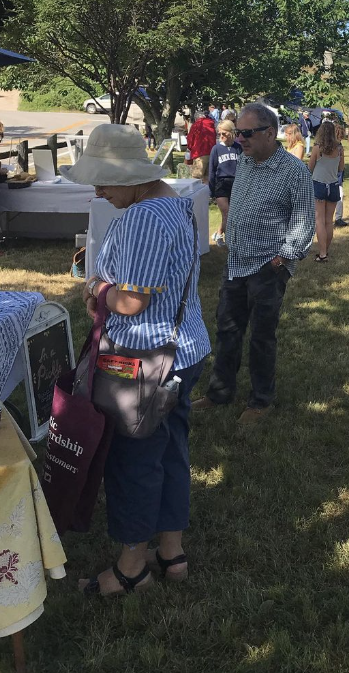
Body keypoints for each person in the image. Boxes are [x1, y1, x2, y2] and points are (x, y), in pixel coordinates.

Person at [60, 124, 211, 596]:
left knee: (134, 462)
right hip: (182, 351)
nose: (98, 189)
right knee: (170, 453)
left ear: (134, 176)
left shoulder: (144, 217)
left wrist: (95, 288)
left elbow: (132, 302)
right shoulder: (178, 205)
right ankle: (171, 552)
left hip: (143, 361)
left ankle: (131, 570)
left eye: (104, 179)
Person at [193, 103, 315, 422]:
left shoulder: (294, 170)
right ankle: (220, 392)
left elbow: (304, 220)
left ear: (270, 133)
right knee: (227, 329)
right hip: (236, 262)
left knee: (261, 336)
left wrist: (283, 257)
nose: (239, 139)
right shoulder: (246, 160)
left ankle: (260, 400)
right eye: (237, 133)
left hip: (267, 266)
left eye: (246, 133)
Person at [309, 120, 344, 262]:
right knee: (329, 221)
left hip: (319, 184)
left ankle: (322, 253)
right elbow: (341, 168)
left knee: (319, 221)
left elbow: (310, 168)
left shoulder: (317, 148)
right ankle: (325, 250)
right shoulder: (340, 149)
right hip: (333, 185)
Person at [209, 119, 242, 246]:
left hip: (236, 183)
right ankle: (230, 241)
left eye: (224, 133)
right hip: (221, 184)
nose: (221, 136)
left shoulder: (238, 148)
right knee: (227, 212)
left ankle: (218, 233)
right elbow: (212, 170)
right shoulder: (216, 149)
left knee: (232, 214)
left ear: (231, 132)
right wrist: (211, 190)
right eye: (219, 133)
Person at [186, 111, 217, 181]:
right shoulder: (211, 124)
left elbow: (190, 139)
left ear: (196, 118)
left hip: (200, 153)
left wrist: (190, 148)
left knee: (196, 178)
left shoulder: (197, 125)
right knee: (208, 178)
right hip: (212, 153)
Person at [334, 122, 348, 227]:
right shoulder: (337, 147)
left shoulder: (338, 145)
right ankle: (338, 218)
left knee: (339, 195)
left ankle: (338, 217)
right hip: (334, 175)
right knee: (339, 196)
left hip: (336, 175)